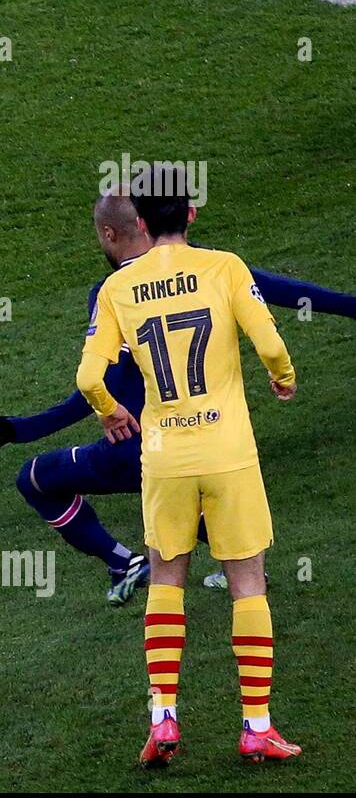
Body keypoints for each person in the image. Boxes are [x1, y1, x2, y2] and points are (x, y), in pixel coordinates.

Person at [0, 190, 354, 604]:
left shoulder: (113, 292)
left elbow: (93, 384)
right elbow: (292, 294)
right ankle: (248, 568)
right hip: (211, 437)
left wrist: (24, 429)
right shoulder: (216, 267)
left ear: (113, 232)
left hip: (145, 448)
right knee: (206, 498)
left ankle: (123, 563)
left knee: (35, 480)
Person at [75, 184, 301, 766]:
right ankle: (256, 726)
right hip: (228, 452)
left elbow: (88, 377)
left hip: (165, 456)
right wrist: (283, 376)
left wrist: (109, 409)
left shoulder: (118, 287)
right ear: (192, 214)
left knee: (165, 581)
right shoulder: (225, 268)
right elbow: (271, 342)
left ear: (142, 223)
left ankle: (163, 720)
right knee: (248, 583)